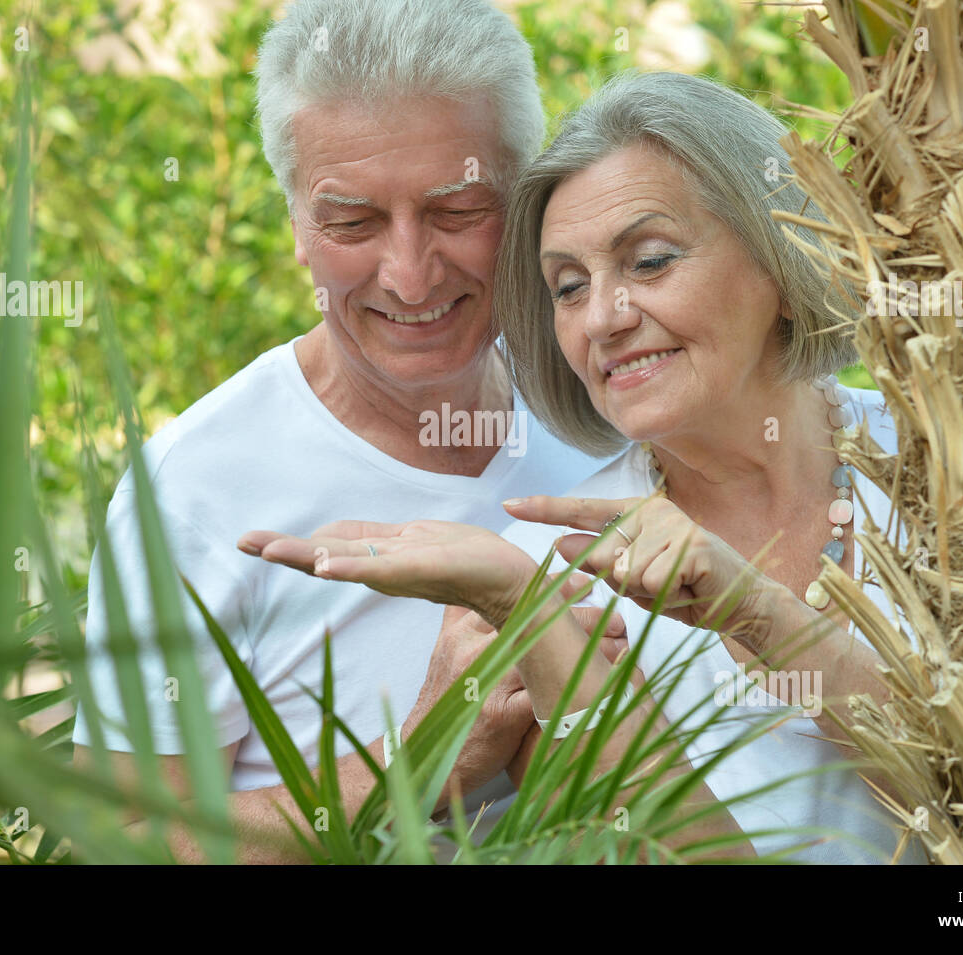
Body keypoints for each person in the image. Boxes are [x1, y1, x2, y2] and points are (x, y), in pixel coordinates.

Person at [241, 71, 924, 863]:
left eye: (651, 261)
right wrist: (519, 605)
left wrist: (762, 612)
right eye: (568, 286)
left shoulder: (954, 468)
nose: (603, 318)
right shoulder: (559, 583)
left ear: (779, 252)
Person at [71, 0, 615, 864]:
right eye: (352, 223)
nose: (409, 273)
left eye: (456, 210)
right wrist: (415, 764)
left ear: (529, 200)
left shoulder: (614, 393)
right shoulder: (195, 486)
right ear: (295, 225)